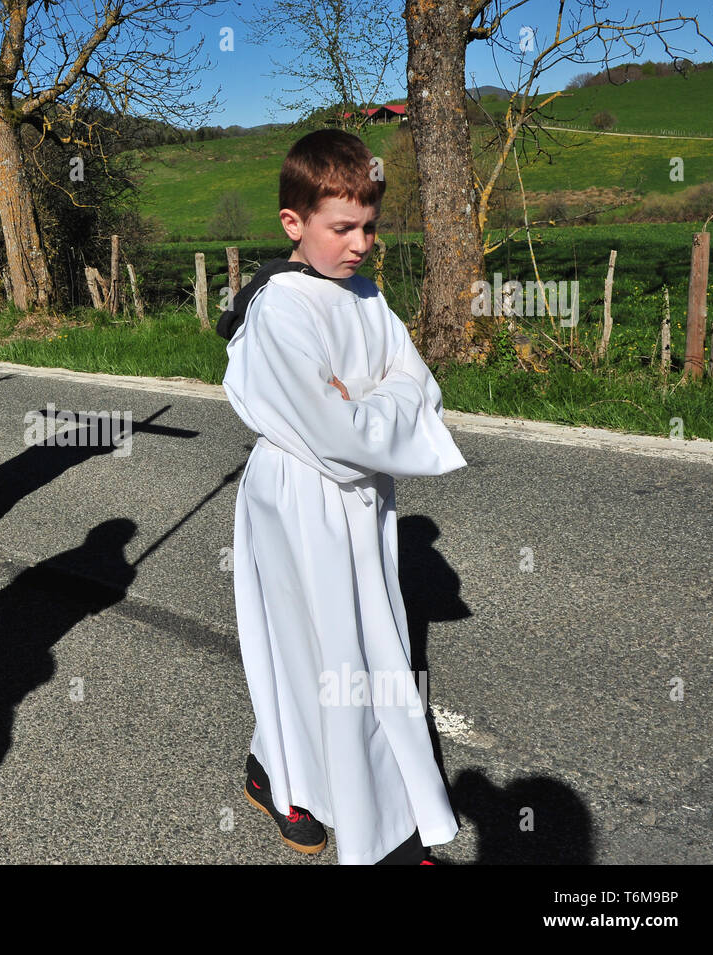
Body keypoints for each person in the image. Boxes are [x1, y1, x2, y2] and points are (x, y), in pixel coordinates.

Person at [223, 129, 467, 865]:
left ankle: (291, 773)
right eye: (342, 227)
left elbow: (419, 386)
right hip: (301, 502)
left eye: (370, 225)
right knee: (322, 654)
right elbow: (336, 430)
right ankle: (349, 815)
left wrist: (366, 402)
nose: (361, 243)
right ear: (293, 223)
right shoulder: (282, 309)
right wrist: (368, 405)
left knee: (368, 650)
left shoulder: (365, 295)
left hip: (358, 500)